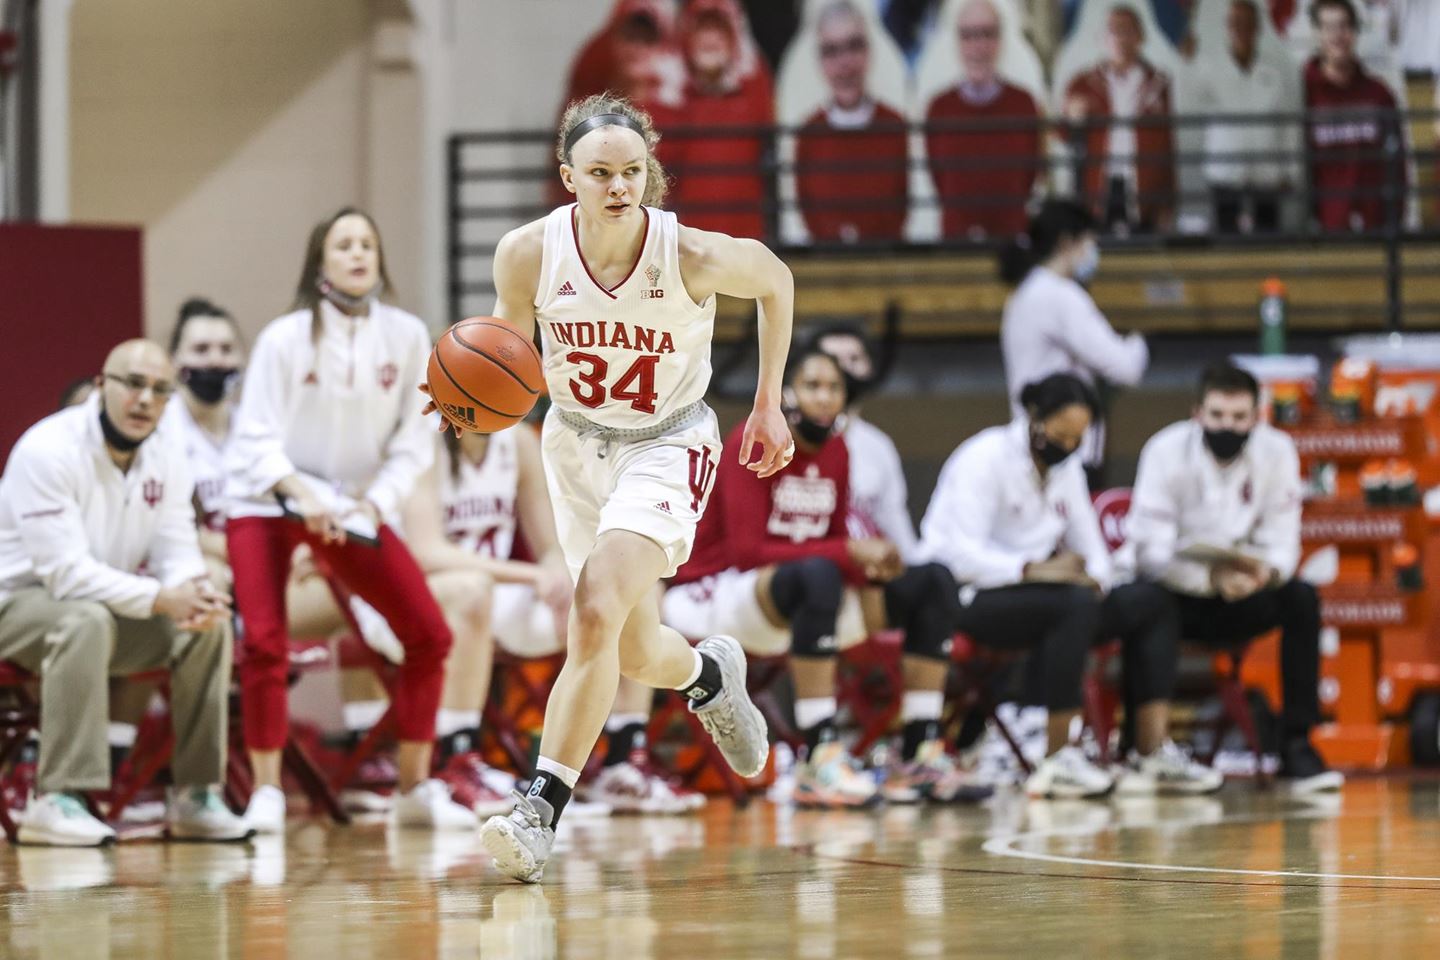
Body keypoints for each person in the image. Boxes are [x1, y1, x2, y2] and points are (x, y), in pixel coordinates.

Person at [444, 94, 792, 883]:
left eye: (633, 171)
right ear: (569, 176)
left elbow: (775, 280)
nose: (619, 187)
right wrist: (474, 401)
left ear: (649, 174)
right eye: (600, 173)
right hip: (575, 447)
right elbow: (511, 366)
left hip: (667, 445)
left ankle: (538, 810)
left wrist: (768, 402)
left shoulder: (690, 254)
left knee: (593, 607)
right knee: (632, 650)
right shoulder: (526, 256)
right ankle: (709, 677)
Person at [225, 207, 473, 833]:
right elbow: (254, 439)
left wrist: (374, 504)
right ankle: (266, 794)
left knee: (429, 634)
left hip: (352, 507)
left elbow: (415, 440)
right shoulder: (285, 337)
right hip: (265, 499)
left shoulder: (410, 333)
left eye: (368, 243)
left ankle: (414, 789)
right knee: (262, 642)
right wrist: (303, 494)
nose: (358, 254)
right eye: (344, 245)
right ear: (320, 262)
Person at [665, 348, 984, 807]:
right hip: (722, 590)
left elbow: (834, 541)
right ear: (787, 392)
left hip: (809, 594)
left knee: (932, 581)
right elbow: (746, 550)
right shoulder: (750, 441)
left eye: (833, 387)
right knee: (819, 574)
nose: (824, 397)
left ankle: (918, 751)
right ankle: (818, 755)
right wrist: (847, 552)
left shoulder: (838, 450)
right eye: (813, 385)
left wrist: (870, 564)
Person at [0, 340, 251, 845]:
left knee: (205, 627)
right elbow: (65, 575)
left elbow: (177, 550)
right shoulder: (48, 449)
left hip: (102, 606)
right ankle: (56, 798)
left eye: (159, 390)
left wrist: (195, 593)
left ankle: (195, 795)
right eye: (132, 384)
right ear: (101, 387)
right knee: (84, 619)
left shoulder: (167, 454)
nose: (144, 400)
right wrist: (161, 599)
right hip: (17, 603)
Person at [1111, 363, 1344, 795]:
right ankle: (1143, 747)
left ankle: (1296, 746)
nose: (1228, 427)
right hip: (1175, 594)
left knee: (1301, 598)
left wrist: (1261, 576)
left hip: (1240, 593)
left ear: (1257, 416)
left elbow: (1283, 546)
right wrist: (1208, 580)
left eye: (1239, 418)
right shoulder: (1164, 451)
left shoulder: (1277, 452)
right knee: (1144, 600)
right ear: (1197, 412)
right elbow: (1150, 552)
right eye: (1217, 416)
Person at [919, 374, 1116, 799]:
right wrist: (1032, 569)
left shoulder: (1068, 471)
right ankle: (1057, 752)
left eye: (1077, 439)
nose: (1066, 446)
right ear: (1033, 418)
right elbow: (957, 557)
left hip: (1036, 598)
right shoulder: (984, 457)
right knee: (1074, 606)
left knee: (1136, 603)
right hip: (960, 598)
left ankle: (1139, 751)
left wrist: (1095, 577)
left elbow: (1095, 551)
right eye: (1059, 434)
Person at [998, 199, 1147, 476]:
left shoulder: (1025, 292)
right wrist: (1140, 342)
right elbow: (1125, 367)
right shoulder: (1060, 296)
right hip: (1066, 449)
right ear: (1067, 242)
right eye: (1090, 242)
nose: (1094, 252)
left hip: (1037, 443)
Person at [924, 0, 1043, 241]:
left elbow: (1030, 174)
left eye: (987, 34)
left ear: (1000, 41)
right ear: (957, 43)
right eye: (968, 36)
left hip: (1012, 246)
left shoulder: (1023, 105)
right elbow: (938, 179)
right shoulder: (939, 109)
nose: (978, 46)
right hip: (956, 245)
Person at [794, 0, 909, 244]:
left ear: (869, 53)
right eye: (832, 51)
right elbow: (808, 211)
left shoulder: (894, 127)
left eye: (853, 46)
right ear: (820, 63)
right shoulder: (808, 135)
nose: (844, 63)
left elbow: (902, 204)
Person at [658, 0, 776, 239]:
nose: (710, 40)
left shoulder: (752, 92)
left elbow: (766, 112)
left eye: (719, 32)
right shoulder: (674, 100)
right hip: (691, 244)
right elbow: (661, 163)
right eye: (701, 32)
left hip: (745, 241)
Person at [1190, 0, 1303, 234]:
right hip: (1225, 174)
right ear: (1227, 27)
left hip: (1267, 176)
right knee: (1226, 247)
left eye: (1247, 23)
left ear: (1258, 28)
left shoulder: (1275, 71)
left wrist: (1290, 170)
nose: (1240, 29)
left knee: (1267, 243)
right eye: (1235, 23)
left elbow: (1288, 125)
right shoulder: (1209, 68)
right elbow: (1196, 114)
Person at [1063, 3, 1175, 232]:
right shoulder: (1083, 83)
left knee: (1144, 249)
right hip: (1100, 187)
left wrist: (1168, 201)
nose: (1121, 38)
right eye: (1114, 30)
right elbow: (1062, 135)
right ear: (1102, 37)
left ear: (1141, 36)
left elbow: (1167, 143)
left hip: (1144, 188)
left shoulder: (1158, 83)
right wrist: (1073, 119)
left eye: (1128, 30)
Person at [1303, 0, 1406, 233]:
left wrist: (1394, 219)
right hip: (1325, 233)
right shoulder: (1304, 93)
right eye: (1329, 28)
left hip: (1377, 230)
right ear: (1317, 34)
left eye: (1344, 26)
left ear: (1355, 32)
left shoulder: (1379, 95)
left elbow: (1398, 165)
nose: (1337, 35)